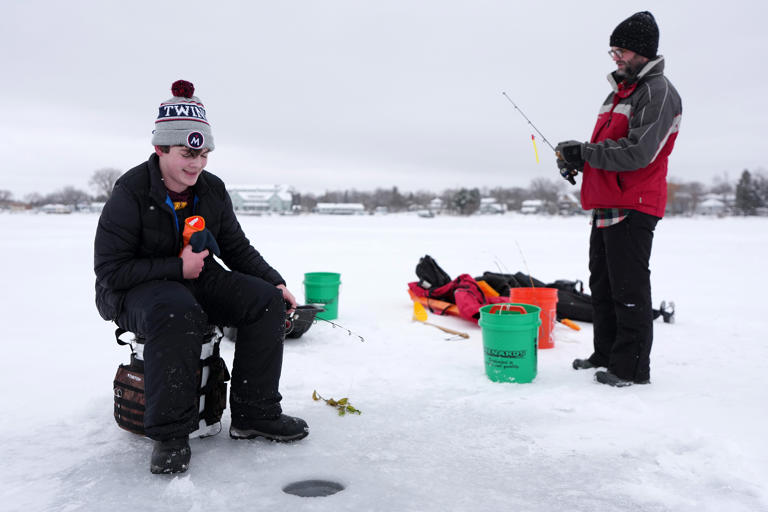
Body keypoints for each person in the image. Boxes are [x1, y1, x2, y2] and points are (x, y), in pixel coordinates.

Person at [94, 80, 308, 474]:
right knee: (177, 311)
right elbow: (109, 271)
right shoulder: (131, 192)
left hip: (196, 278)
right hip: (134, 290)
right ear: (160, 148)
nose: (197, 164)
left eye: (204, 153)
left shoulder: (211, 190)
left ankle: (254, 414)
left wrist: (275, 281)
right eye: (188, 153)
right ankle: (170, 434)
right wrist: (177, 268)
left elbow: (236, 247)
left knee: (264, 301)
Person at [554, 11, 682, 387]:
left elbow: (640, 151)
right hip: (605, 203)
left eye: (621, 50)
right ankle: (606, 354)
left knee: (629, 290)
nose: (616, 58)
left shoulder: (658, 92)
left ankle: (630, 369)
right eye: (613, 51)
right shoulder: (617, 93)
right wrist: (577, 159)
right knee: (604, 286)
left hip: (634, 204)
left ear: (642, 51)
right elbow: (607, 150)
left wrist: (588, 152)